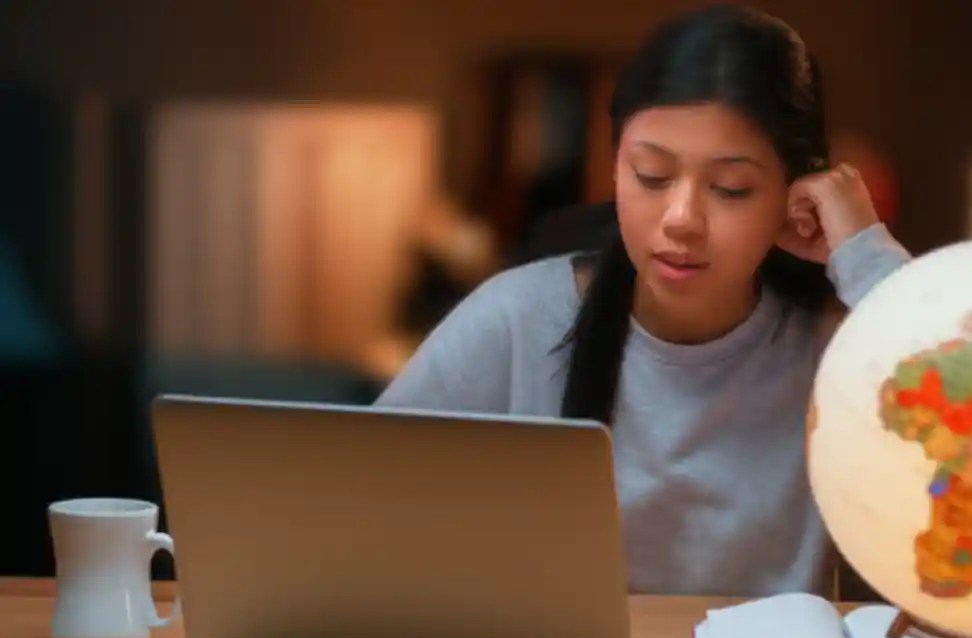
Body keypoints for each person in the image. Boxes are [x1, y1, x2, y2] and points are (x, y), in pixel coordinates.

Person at [376, 4, 912, 597]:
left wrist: (867, 258)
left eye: (730, 188)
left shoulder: (842, 348)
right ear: (615, 169)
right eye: (651, 177)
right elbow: (346, 505)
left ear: (793, 194)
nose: (681, 220)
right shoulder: (516, 320)